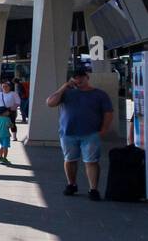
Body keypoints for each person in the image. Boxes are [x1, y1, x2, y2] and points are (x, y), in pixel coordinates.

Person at [45, 67, 114, 200]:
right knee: (69, 160)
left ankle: (93, 189)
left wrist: (104, 129)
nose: (79, 79)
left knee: (91, 161)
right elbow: (50, 103)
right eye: (76, 77)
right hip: (68, 133)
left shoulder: (99, 94)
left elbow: (108, 112)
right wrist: (64, 87)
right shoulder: (66, 93)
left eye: (81, 76)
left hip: (91, 133)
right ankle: (71, 184)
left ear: (87, 77)